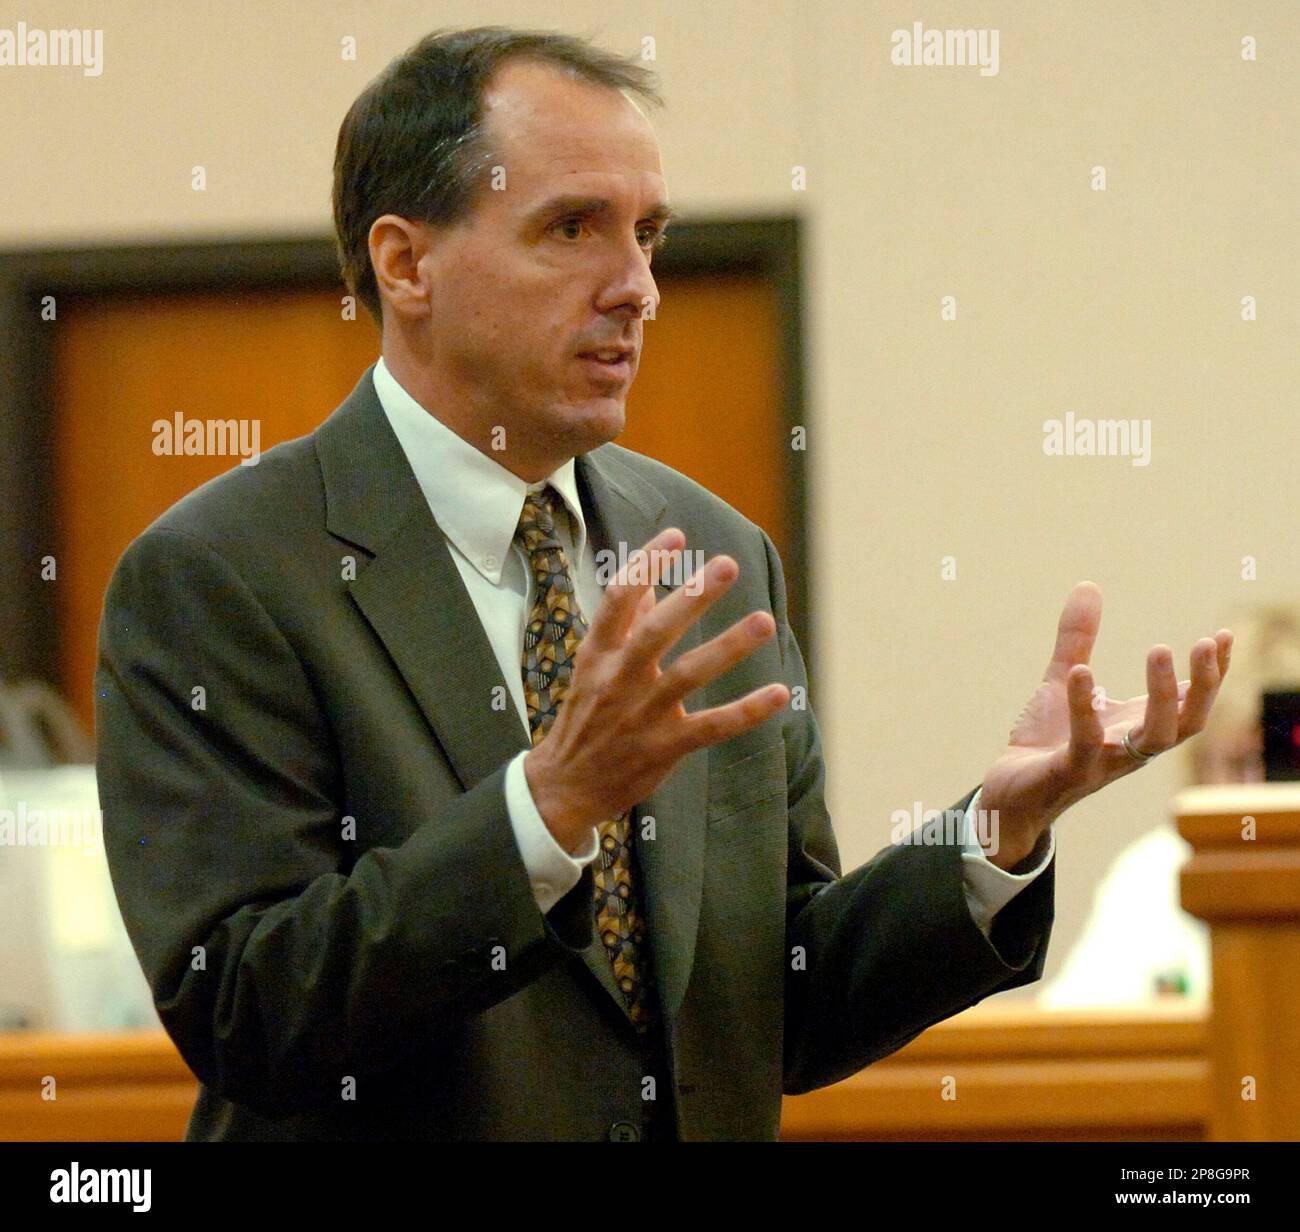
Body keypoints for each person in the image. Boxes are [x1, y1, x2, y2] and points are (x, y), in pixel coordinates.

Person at [93, 25, 1232, 1142]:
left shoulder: (708, 549)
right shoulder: (223, 574)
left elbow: (780, 995)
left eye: (649, 234)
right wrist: (546, 811)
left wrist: (991, 829)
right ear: (405, 263)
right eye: (573, 228)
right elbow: (248, 1007)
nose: (636, 286)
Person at [1039, 606, 1300, 1009]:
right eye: (1240, 763)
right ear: (1199, 769)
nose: (1260, 790)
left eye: (1283, 763)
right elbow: (1072, 1046)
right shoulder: (1153, 874)